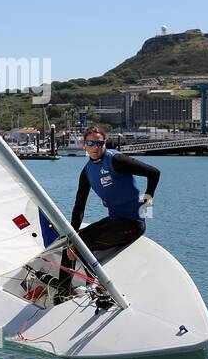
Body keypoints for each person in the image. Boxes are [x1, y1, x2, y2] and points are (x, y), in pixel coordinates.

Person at [56, 125, 159, 303]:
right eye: (91, 143)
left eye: (100, 143)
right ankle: (61, 294)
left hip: (132, 225)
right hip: (115, 221)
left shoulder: (116, 160)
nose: (96, 147)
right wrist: (72, 235)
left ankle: (97, 288)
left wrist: (148, 199)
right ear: (84, 145)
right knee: (71, 245)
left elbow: (154, 173)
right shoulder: (87, 171)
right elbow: (79, 206)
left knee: (80, 247)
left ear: (104, 144)